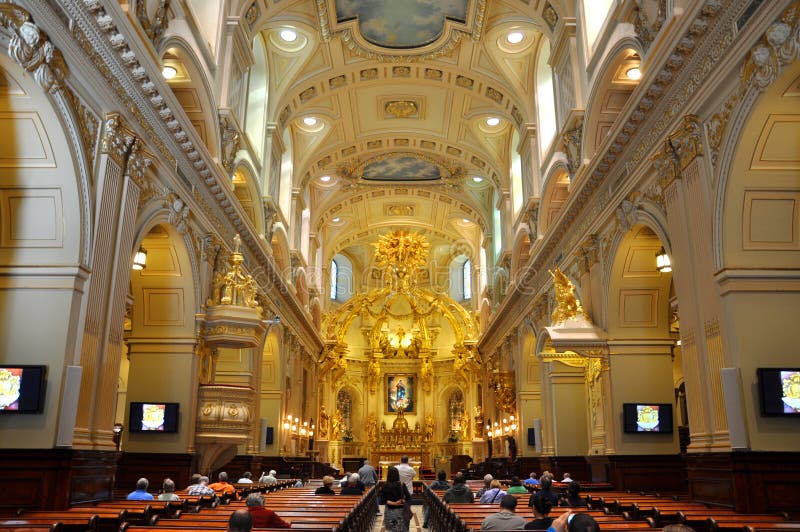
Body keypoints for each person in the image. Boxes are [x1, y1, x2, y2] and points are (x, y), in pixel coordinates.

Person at [381, 466, 412, 532]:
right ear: (397, 475)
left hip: (389, 510)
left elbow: (382, 500)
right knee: (400, 528)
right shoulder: (401, 484)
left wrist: (393, 503)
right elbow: (409, 497)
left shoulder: (384, 485)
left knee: (391, 529)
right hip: (400, 510)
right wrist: (402, 501)